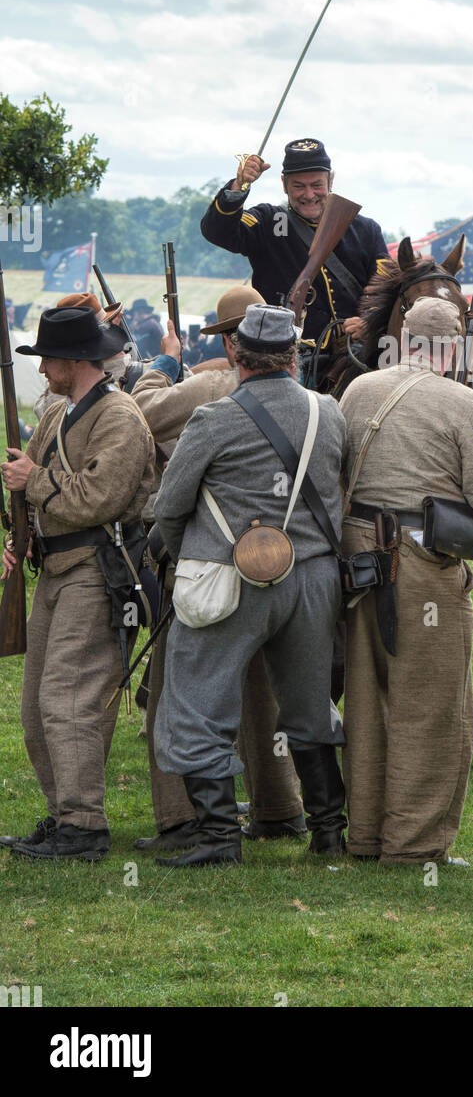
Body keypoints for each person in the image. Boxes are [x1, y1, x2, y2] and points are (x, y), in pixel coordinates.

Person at [153, 303, 347, 867]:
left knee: (197, 701)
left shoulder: (213, 419)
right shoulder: (328, 413)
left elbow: (170, 507)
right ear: (294, 354)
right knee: (310, 706)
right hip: (313, 579)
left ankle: (218, 838)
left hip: (227, 575)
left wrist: (191, 550)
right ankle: (329, 832)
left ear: (236, 353)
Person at [128, 284, 308, 853]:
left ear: (233, 343)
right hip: (287, 568)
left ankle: (192, 822)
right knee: (265, 698)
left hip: (210, 565)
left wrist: (163, 363)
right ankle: (281, 808)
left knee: (181, 691)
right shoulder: (313, 400)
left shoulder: (209, 387)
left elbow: (140, 416)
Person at [339, 297, 473, 864]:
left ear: (402, 336)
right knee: (432, 708)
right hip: (423, 566)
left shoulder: (359, 389)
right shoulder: (467, 403)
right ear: (455, 345)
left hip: (356, 561)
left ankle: (363, 834)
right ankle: (414, 846)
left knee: (365, 702)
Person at [0, 307, 156, 861]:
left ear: (73, 361)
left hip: (97, 571)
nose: (41, 369)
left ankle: (84, 827)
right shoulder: (57, 416)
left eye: (47, 358)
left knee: (71, 698)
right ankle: (64, 813)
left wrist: (33, 479)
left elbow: (99, 499)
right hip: (57, 569)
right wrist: (17, 532)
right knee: (38, 703)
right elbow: (30, 490)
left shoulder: (119, 417)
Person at [199, 137, 391, 388]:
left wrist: (369, 321)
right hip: (283, 361)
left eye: (317, 185)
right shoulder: (268, 221)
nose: (309, 195)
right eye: (299, 186)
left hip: (352, 356)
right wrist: (240, 185)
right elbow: (217, 231)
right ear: (284, 184)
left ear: (331, 181)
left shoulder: (365, 230)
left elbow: (386, 289)